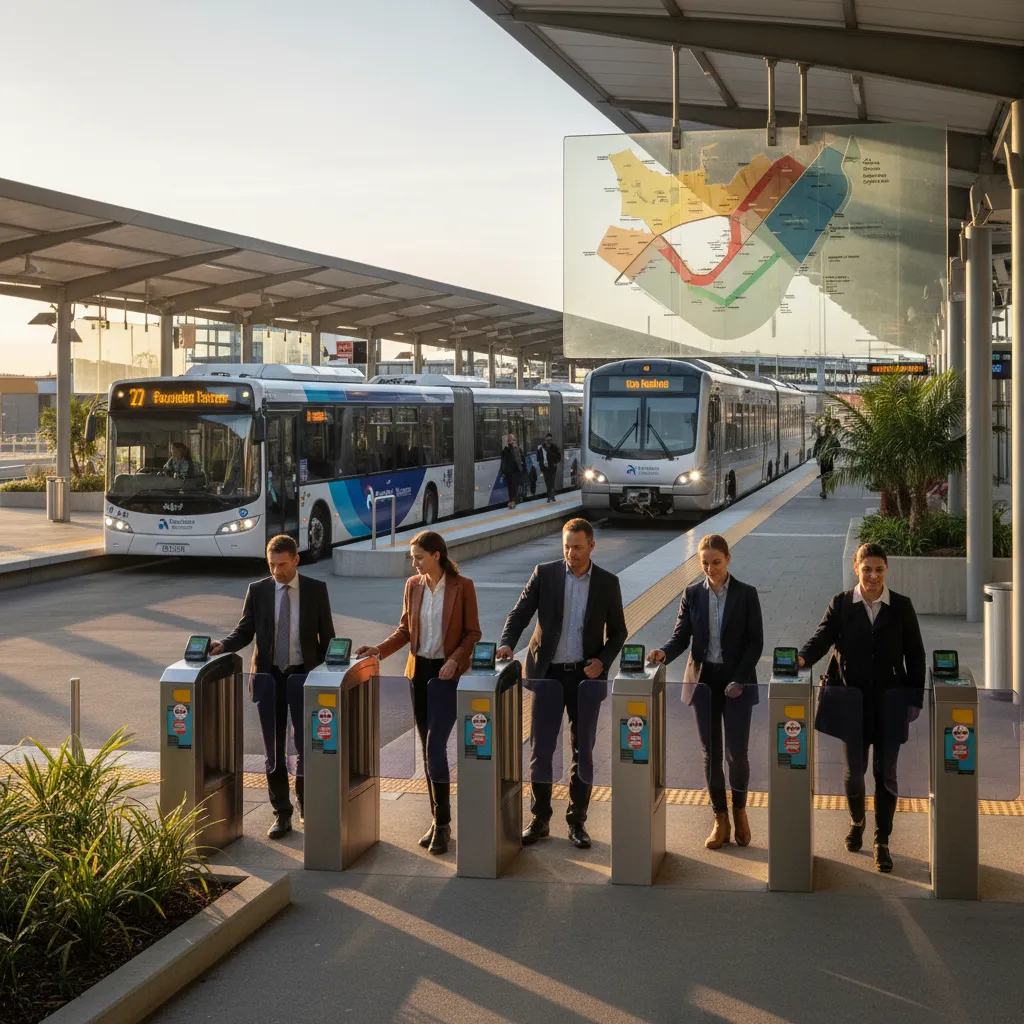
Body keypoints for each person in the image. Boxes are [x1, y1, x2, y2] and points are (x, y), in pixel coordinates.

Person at [497, 518, 627, 849]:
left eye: (578, 547)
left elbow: (619, 632)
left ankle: (577, 821)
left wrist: (603, 661)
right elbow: (520, 613)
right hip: (548, 675)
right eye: (566, 546)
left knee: (583, 751)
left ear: (592, 546)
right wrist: (507, 641)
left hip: (586, 676)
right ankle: (539, 818)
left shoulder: (608, 583)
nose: (571, 553)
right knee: (541, 750)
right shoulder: (546, 574)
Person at [798, 542, 925, 873]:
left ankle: (882, 840)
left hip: (890, 702)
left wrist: (915, 698)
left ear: (887, 570)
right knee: (854, 774)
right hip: (851, 703)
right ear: (856, 568)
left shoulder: (901, 606)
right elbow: (822, 638)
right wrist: (799, 659)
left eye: (879, 569)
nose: (872, 575)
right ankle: (857, 821)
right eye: (866, 569)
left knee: (886, 775)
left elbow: (916, 654)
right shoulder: (841, 604)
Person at [355, 531, 481, 856]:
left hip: (446, 675)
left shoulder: (462, 586)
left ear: (437, 555)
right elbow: (405, 630)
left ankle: (443, 823)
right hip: (419, 672)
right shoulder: (413, 586)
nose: (414, 562)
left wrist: (454, 661)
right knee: (427, 749)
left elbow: (472, 633)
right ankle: (438, 819)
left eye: (419, 557)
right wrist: (378, 651)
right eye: (413, 557)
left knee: (435, 748)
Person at [210, 534, 335, 839]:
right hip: (268, 678)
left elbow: (327, 637)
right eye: (271, 565)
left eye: (282, 564)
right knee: (274, 750)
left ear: (296, 560)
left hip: (304, 676)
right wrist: (223, 645)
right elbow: (245, 630)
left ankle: (306, 805)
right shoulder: (258, 590)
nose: (277, 571)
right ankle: (282, 812)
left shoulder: (316, 590)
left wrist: (332, 672)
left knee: (308, 746)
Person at [647, 534, 763, 850]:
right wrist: (663, 653)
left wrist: (739, 679)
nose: (710, 569)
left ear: (728, 559)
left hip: (737, 681)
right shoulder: (691, 594)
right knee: (711, 754)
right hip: (703, 682)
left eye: (716, 562)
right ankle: (719, 819)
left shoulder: (746, 594)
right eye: (705, 564)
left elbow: (756, 643)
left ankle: (740, 812)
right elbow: (681, 637)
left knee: (736, 753)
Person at [813, 421, 838, 499]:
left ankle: (824, 490)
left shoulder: (821, 439)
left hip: (823, 460)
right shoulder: (834, 439)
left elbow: (815, 448)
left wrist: (816, 457)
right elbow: (838, 448)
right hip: (829, 460)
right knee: (829, 475)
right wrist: (835, 456)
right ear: (830, 431)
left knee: (824, 475)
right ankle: (825, 489)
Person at [500, 432, 525, 509]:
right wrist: (503, 472)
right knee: (511, 489)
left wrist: (514, 448)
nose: (512, 441)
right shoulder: (506, 450)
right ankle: (511, 501)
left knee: (516, 489)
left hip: (517, 473)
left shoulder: (518, 449)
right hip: (509, 473)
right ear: (508, 441)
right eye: (510, 440)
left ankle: (514, 502)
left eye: (513, 439)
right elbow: (504, 462)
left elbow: (522, 459)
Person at [537, 432, 562, 503]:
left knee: (552, 482)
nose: (549, 442)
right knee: (547, 483)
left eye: (550, 440)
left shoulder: (554, 447)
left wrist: (555, 463)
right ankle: (549, 496)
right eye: (547, 440)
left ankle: (552, 496)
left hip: (553, 468)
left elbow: (559, 457)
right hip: (545, 469)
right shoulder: (541, 449)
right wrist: (541, 467)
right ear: (545, 440)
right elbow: (538, 459)